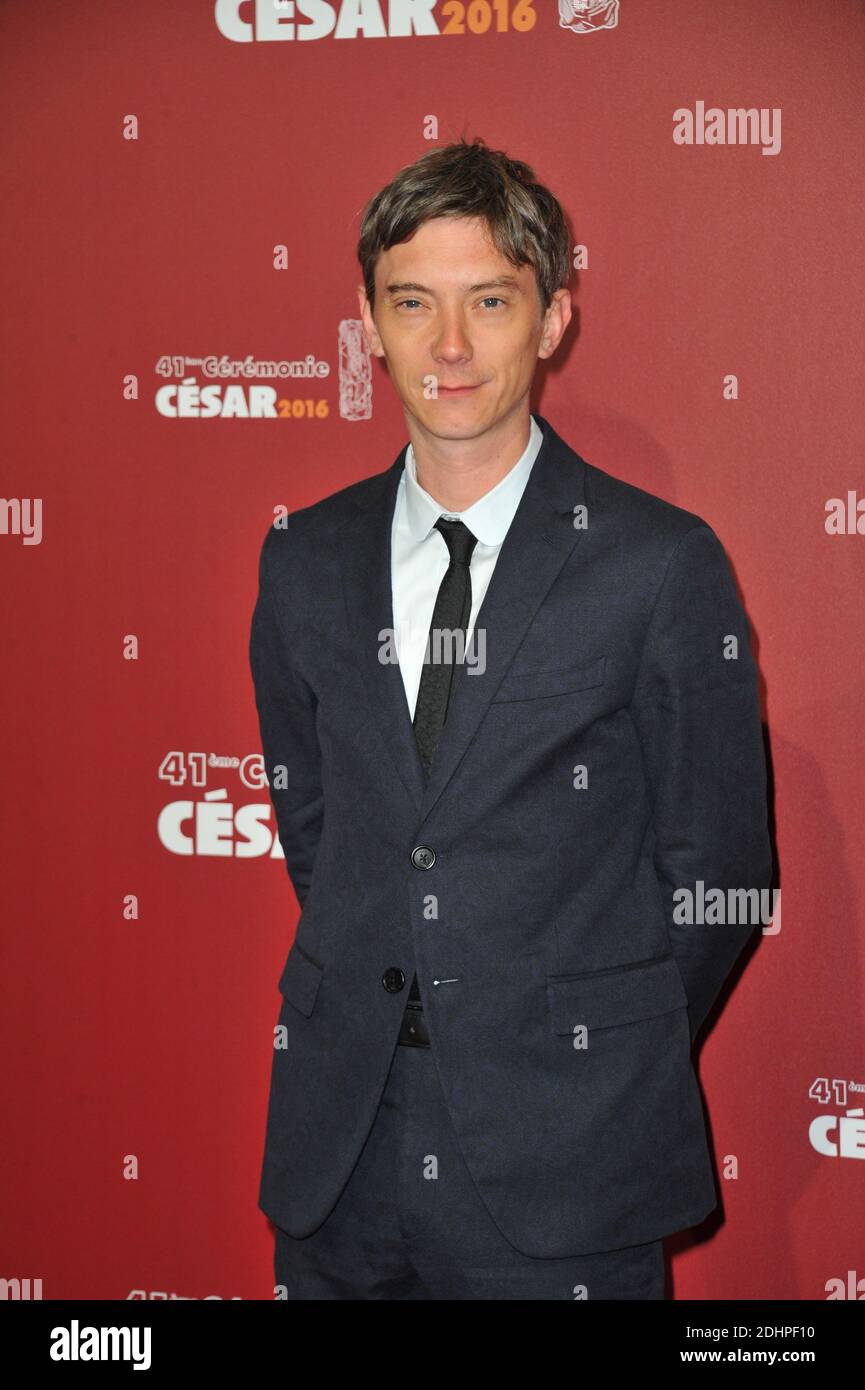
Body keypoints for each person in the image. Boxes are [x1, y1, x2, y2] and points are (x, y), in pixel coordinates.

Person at [249, 136, 772, 1300]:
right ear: (367, 321)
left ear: (550, 318)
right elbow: (320, 827)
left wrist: (587, 1038)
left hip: (569, 1153)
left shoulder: (658, 566)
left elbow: (720, 869)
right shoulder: (303, 559)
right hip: (341, 1148)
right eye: (412, 303)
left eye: (487, 301)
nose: (447, 346)